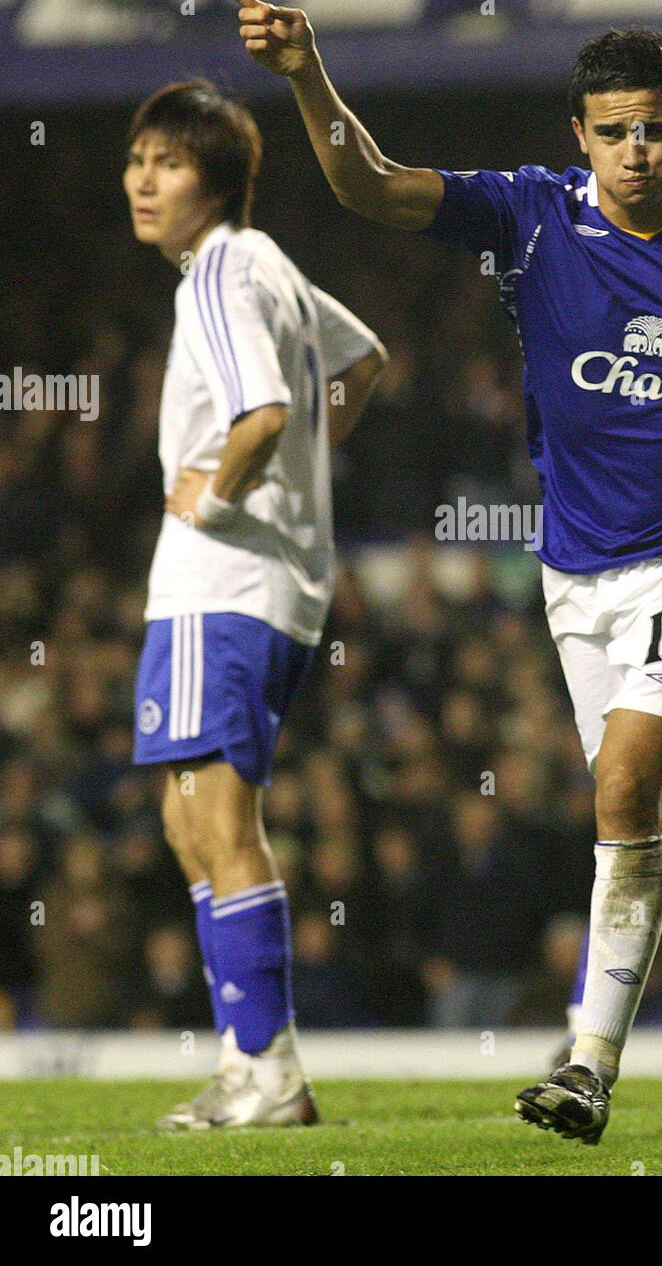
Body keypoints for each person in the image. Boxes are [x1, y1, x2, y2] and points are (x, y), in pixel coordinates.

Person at [217, 0, 662, 1143]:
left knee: (620, 791)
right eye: (614, 129)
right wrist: (304, 76)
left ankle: (587, 1068)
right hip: (578, 571)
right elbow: (371, 188)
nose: (637, 151)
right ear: (578, 135)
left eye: (658, 128)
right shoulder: (530, 215)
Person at [124, 79, 387, 1128]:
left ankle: (270, 1071)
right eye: (137, 160)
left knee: (217, 816)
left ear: (217, 181)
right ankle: (248, 1061)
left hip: (220, 579)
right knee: (189, 815)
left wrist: (222, 492)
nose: (143, 180)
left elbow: (266, 411)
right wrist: (302, 491)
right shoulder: (265, 261)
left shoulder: (221, 270)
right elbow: (363, 361)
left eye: (168, 163)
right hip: (265, 581)